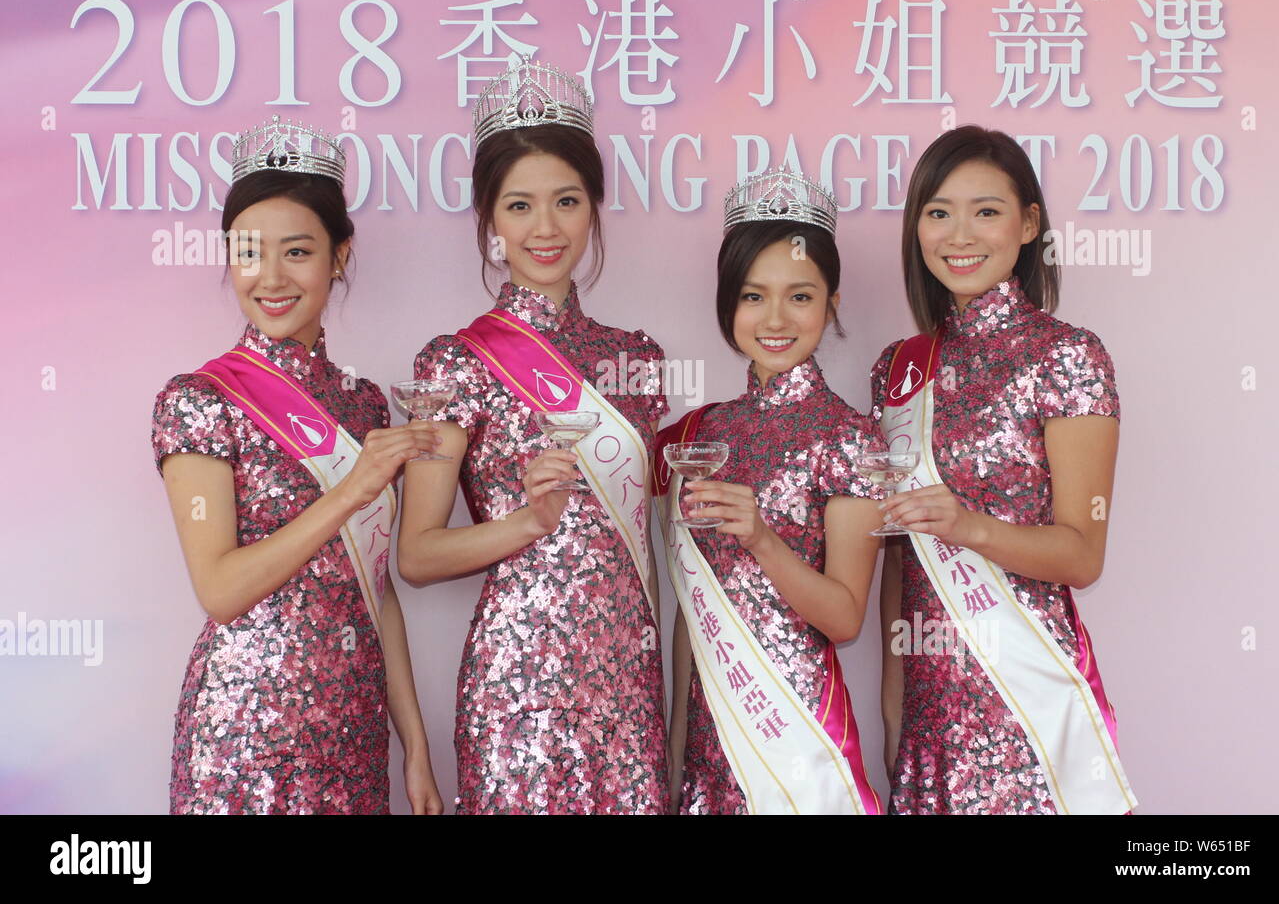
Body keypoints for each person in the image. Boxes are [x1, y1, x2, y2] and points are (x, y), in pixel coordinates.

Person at [398, 58, 670, 813]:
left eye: (566, 201)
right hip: (517, 683)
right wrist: (526, 523)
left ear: (594, 208)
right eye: (519, 206)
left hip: (627, 678)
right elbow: (416, 555)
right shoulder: (455, 363)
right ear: (489, 221)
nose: (544, 228)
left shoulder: (637, 362)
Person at [151, 115, 442, 814]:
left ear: (340, 256)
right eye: (249, 253)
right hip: (245, 732)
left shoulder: (366, 407)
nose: (271, 277)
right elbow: (220, 590)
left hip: (355, 730)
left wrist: (417, 749)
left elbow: (381, 594)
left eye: (299, 252)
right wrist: (350, 491)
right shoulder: (200, 400)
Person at [872, 125, 1138, 814]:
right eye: (939, 213)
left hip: (1029, 702)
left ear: (1027, 224)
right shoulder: (899, 371)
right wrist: (894, 705)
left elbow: (1082, 554)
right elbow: (901, 562)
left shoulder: (1067, 358)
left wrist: (968, 526)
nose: (960, 234)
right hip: (930, 715)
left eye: (985, 211)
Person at [654, 166, 886, 814]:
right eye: (754, 296)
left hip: (797, 737)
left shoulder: (850, 438)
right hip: (709, 739)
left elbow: (844, 617)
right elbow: (692, 613)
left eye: (801, 296)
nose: (775, 317)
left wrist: (760, 537)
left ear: (832, 302)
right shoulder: (701, 434)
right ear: (728, 303)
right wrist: (676, 751)